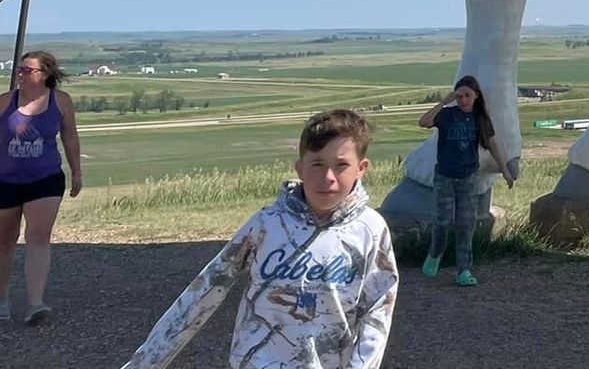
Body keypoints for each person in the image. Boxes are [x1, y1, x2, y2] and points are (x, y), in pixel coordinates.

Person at [121, 107, 397, 368]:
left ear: (361, 168)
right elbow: (203, 293)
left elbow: (377, 314)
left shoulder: (370, 230)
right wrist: (146, 363)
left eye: (341, 165)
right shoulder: (267, 225)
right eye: (317, 164)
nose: (328, 177)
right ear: (300, 169)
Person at [1, 49, 82, 326]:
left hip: (44, 179)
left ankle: (36, 303)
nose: (20, 74)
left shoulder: (60, 102)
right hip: (5, 180)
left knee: (38, 236)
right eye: (19, 70)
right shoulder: (4, 103)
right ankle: (2, 300)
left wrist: (76, 171)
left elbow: (70, 136)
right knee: (4, 240)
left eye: (27, 70)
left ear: (44, 74)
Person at [417, 75, 513, 286]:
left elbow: (493, 144)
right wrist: (444, 102)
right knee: (442, 221)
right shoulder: (448, 115)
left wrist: (504, 170)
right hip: (444, 176)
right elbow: (423, 122)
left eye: (467, 95)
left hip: (468, 177)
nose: (462, 100)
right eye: (459, 96)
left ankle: (464, 270)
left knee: (465, 225)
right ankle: (435, 254)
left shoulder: (480, 118)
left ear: (476, 96)